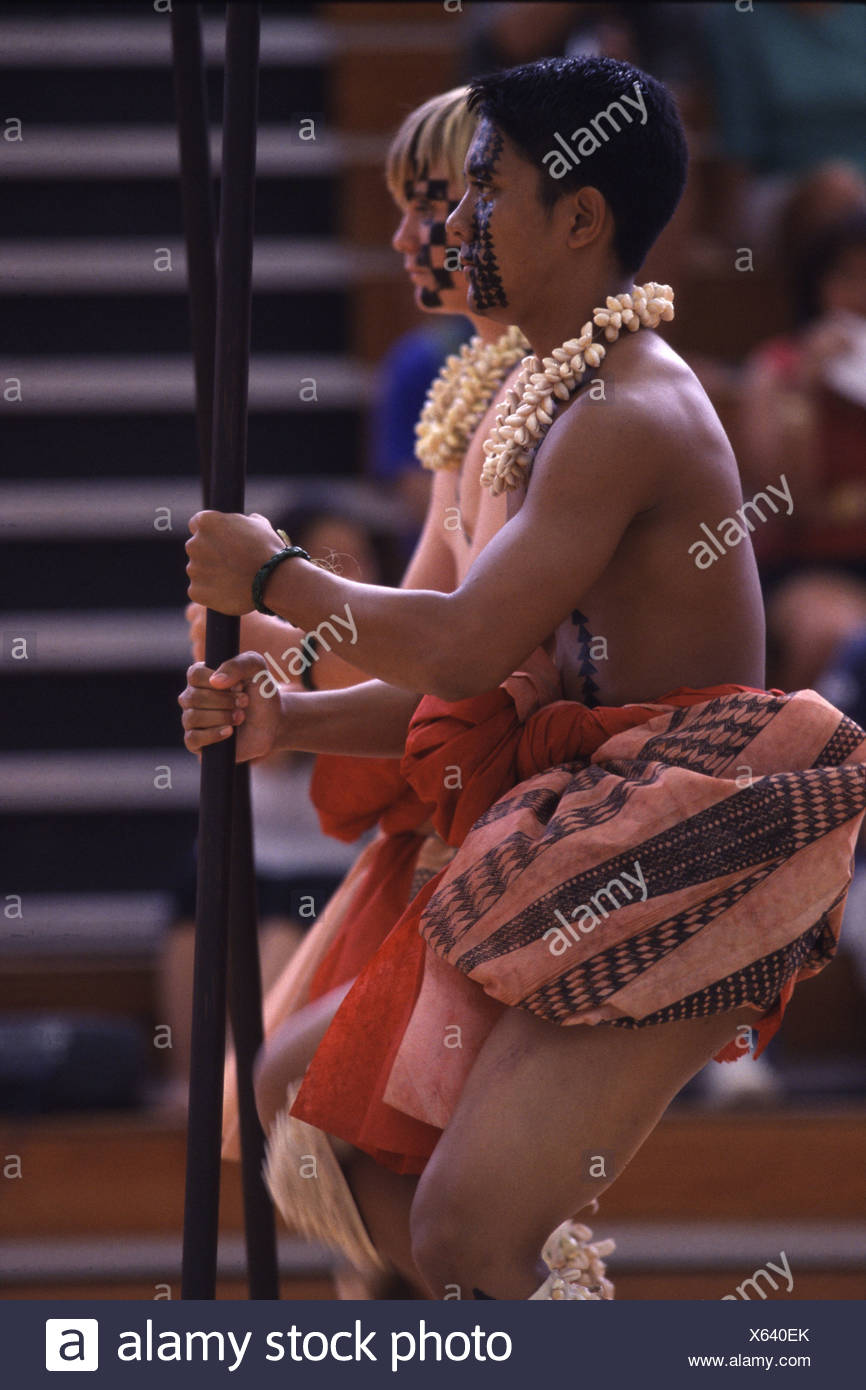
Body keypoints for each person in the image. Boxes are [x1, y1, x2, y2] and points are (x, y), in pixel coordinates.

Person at [182, 57, 866, 1300]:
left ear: (578, 219)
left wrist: (273, 572)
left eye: (476, 192)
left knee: (462, 1233)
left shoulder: (623, 411)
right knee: (338, 1129)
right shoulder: (531, 398)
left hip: (678, 836)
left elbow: (454, 644)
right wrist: (285, 715)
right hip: (569, 822)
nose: (445, 224)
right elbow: (465, 679)